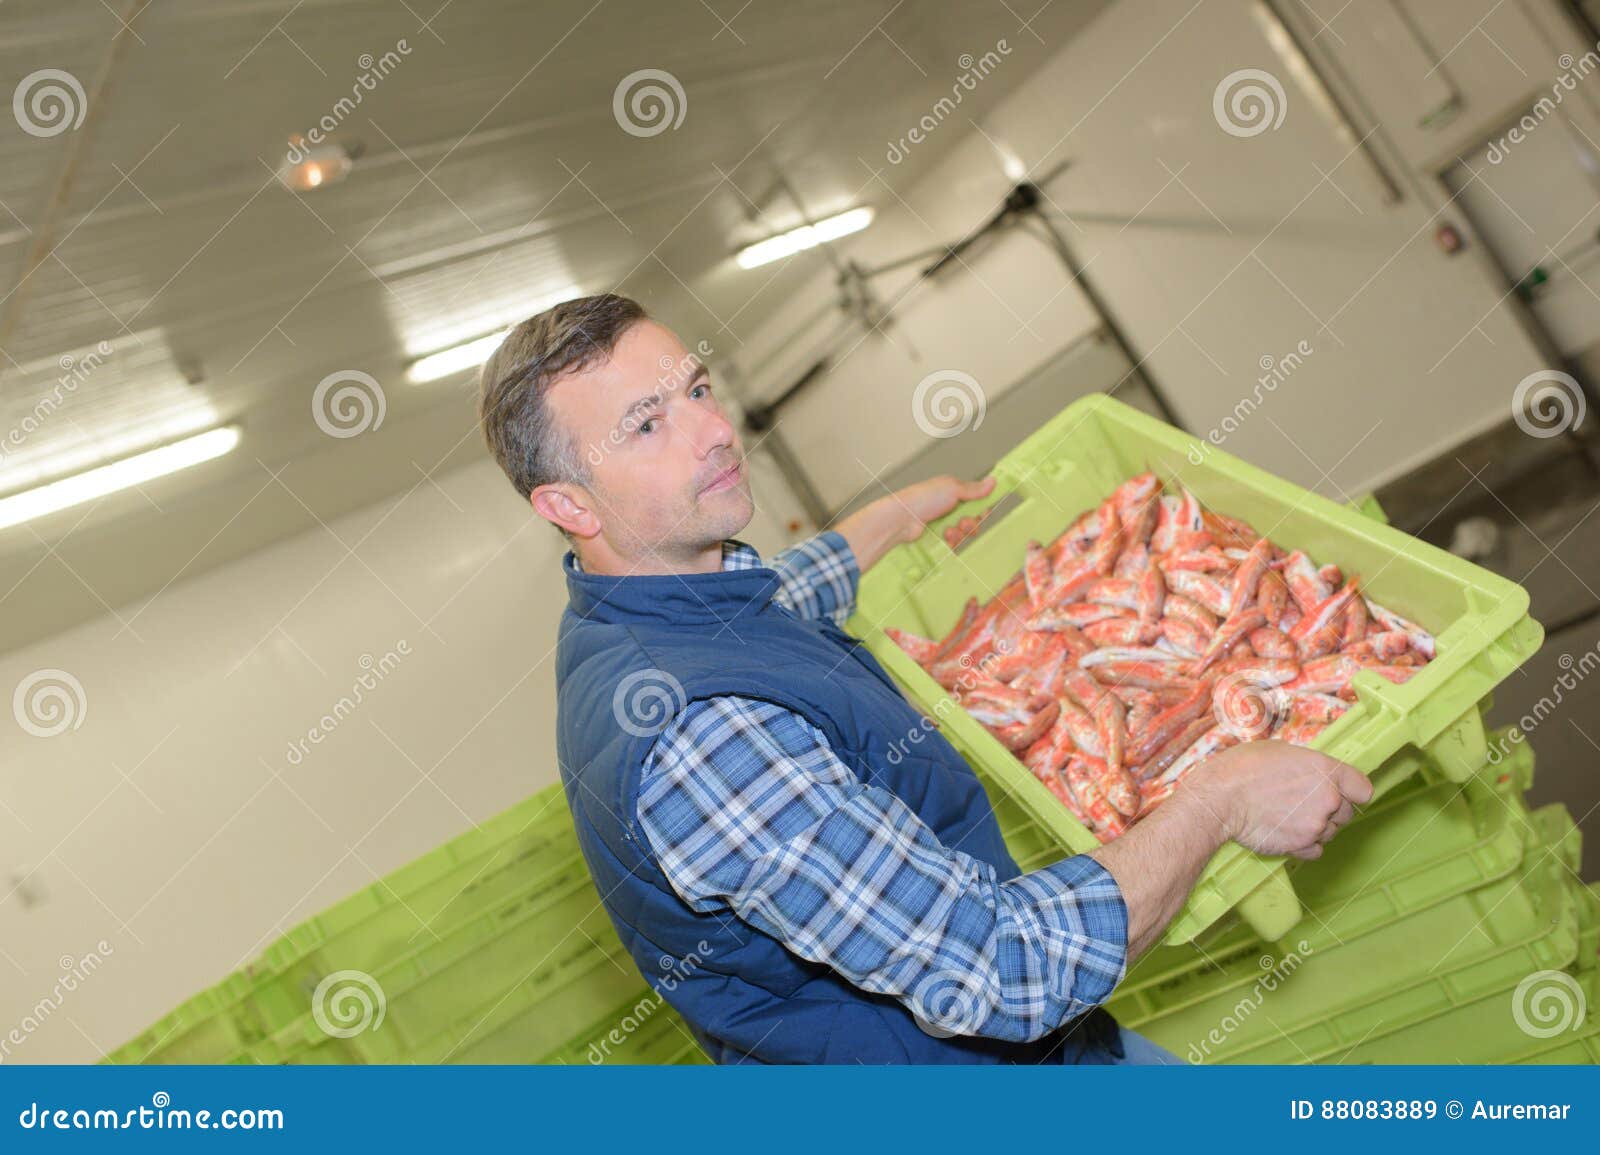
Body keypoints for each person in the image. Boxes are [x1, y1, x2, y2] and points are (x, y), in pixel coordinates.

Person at [477, 293, 1372, 1065]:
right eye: (647, 423)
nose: (714, 430)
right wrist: (1221, 798)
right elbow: (1003, 968)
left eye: (698, 388)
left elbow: (774, 607)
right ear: (567, 505)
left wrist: (886, 523)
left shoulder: (644, 612)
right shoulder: (704, 736)